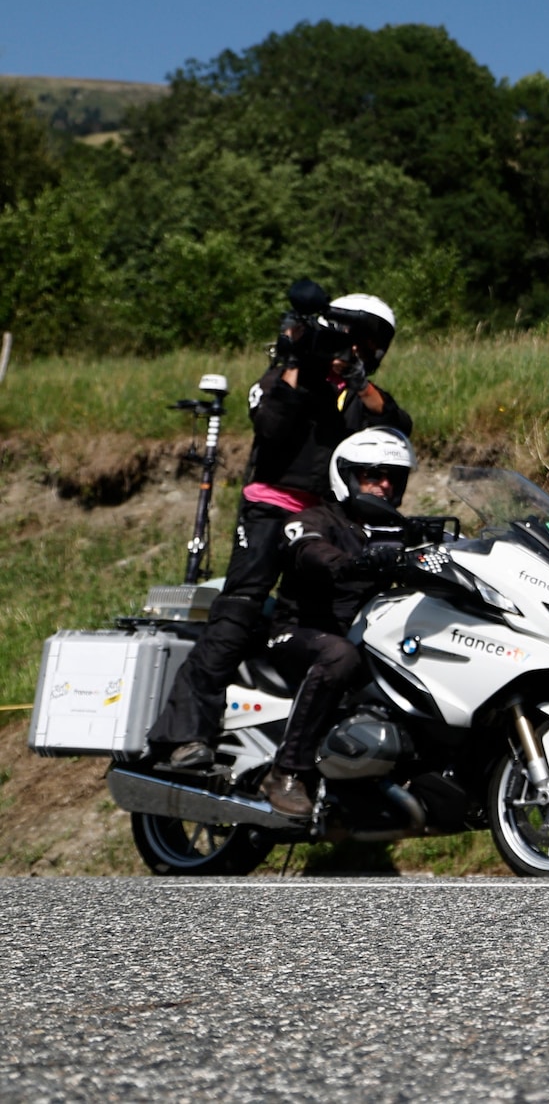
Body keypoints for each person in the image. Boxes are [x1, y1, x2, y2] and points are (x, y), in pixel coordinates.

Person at [150, 284, 411, 769]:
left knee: (339, 612)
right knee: (239, 608)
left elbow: (397, 428)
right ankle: (184, 735)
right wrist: (294, 359)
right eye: (349, 344)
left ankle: (321, 734)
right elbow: (270, 425)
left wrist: (358, 383)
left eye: (365, 348)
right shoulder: (284, 376)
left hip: (325, 515)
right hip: (271, 509)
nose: (352, 353)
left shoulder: (355, 396)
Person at [260, 427, 418, 817]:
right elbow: (306, 548)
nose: (384, 484)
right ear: (346, 476)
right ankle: (286, 772)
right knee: (339, 655)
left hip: (362, 636)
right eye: (372, 475)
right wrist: (351, 563)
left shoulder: (396, 529)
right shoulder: (316, 519)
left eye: (392, 477)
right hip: (299, 633)